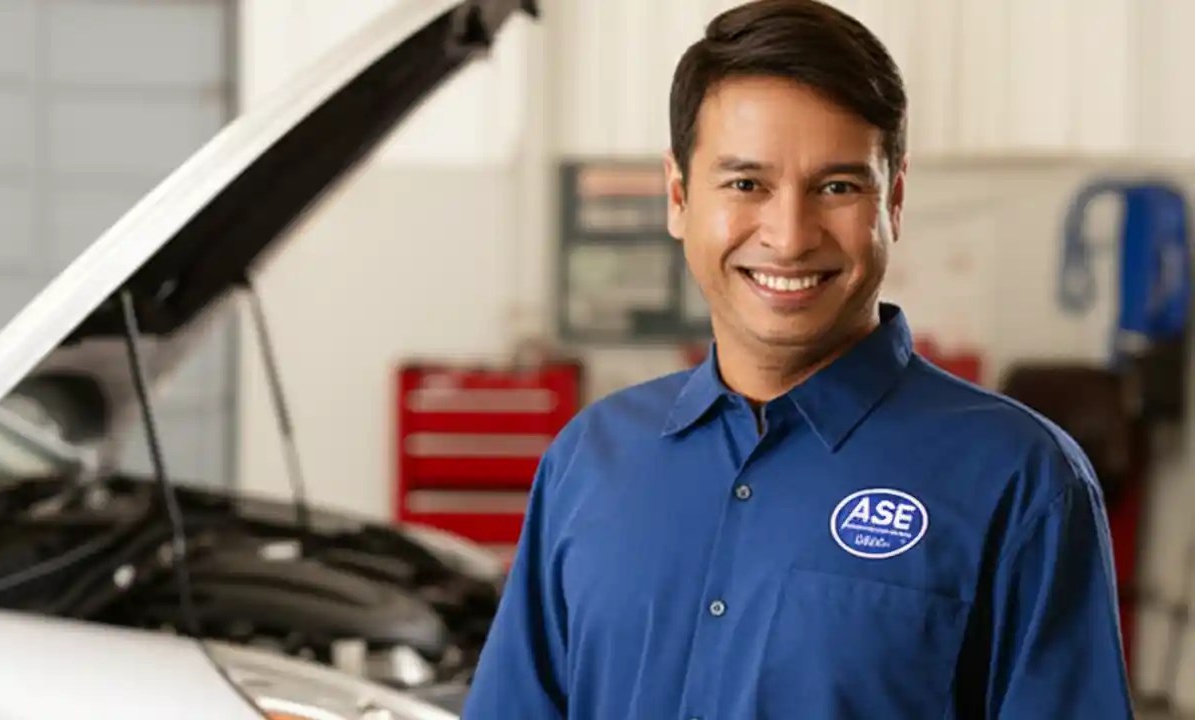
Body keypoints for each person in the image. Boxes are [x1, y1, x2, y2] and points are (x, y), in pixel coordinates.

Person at [461, 1, 1134, 717]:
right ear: (679, 196)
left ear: (894, 200)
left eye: (837, 187)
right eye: (746, 184)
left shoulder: (1020, 480)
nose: (788, 237)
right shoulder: (590, 462)